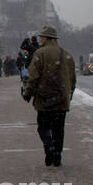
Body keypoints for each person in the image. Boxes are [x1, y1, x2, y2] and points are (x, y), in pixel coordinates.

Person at [22, 24, 75, 167]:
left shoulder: (40, 54)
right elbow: (72, 78)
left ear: (46, 38)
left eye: (41, 37)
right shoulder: (66, 54)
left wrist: (27, 93)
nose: (40, 39)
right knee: (59, 129)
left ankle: (48, 146)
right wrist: (69, 94)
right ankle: (57, 155)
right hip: (61, 98)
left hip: (44, 97)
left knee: (43, 127)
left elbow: (33, 76)